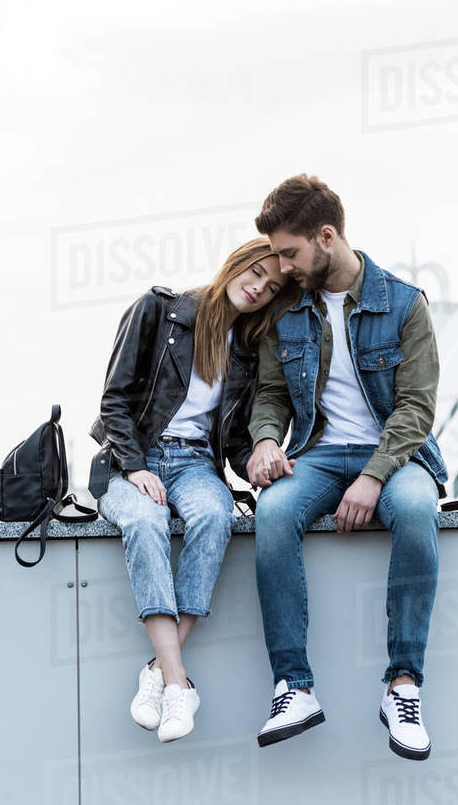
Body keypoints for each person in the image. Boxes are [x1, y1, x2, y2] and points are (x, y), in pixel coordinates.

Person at [246, 175, 448, 760]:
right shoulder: (287, 312)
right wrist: (264, 440)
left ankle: (402, 685)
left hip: (394, 455)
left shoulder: (405, 304)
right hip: (319, 454)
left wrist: (373, 476)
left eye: (290, 252)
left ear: (326, 237)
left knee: (414, 509)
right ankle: (293, 687)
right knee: (275, 511)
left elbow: (416, 408)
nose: (282, 267)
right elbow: (271, 395)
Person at [87, 238, 298, 743]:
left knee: (213, 516)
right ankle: (181, 685)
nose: (259, 288)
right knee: (144, 520)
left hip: (197, 464)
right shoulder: (159, 311)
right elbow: (113, 399)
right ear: (237, 262)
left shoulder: (245, 350)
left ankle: (160, 675)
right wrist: (135, 466)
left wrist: (264, 465)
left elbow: (237, 443)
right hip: (130, 461)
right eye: (257, 273)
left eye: (271, 288)